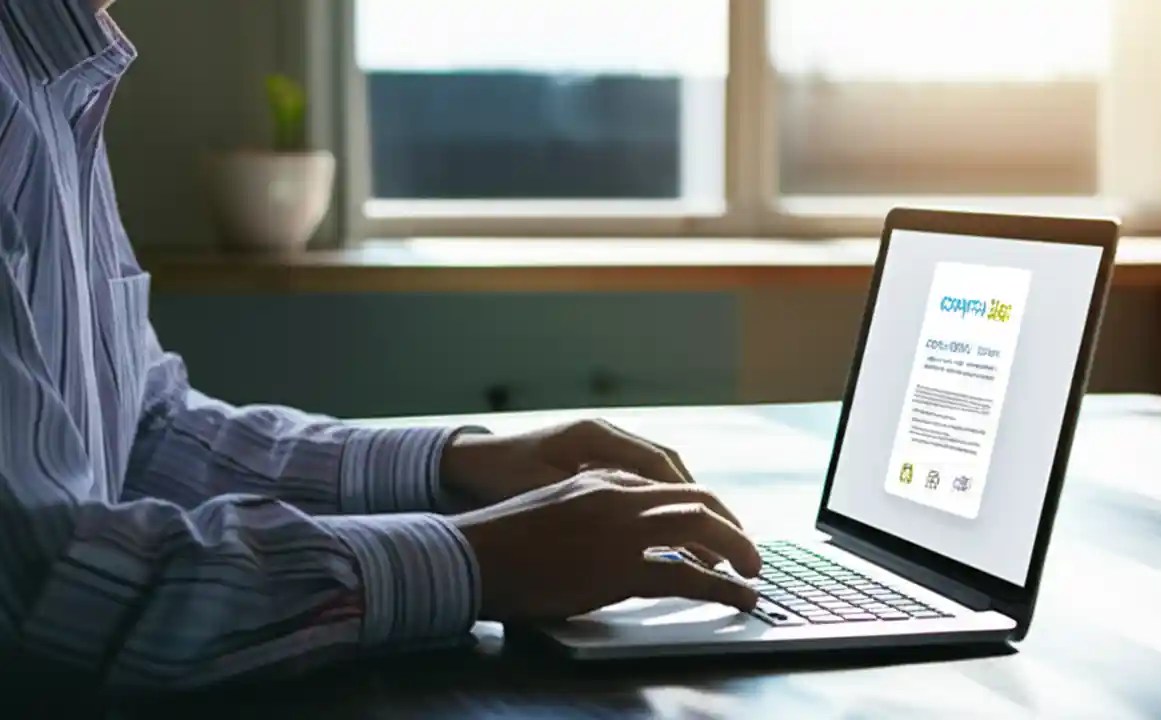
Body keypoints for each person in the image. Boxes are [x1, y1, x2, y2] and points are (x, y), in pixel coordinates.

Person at [0, 0, 759, 689]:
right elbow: (44, 584)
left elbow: (147, 433)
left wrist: (454, 465)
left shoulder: (52, 76)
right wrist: (480, 559)